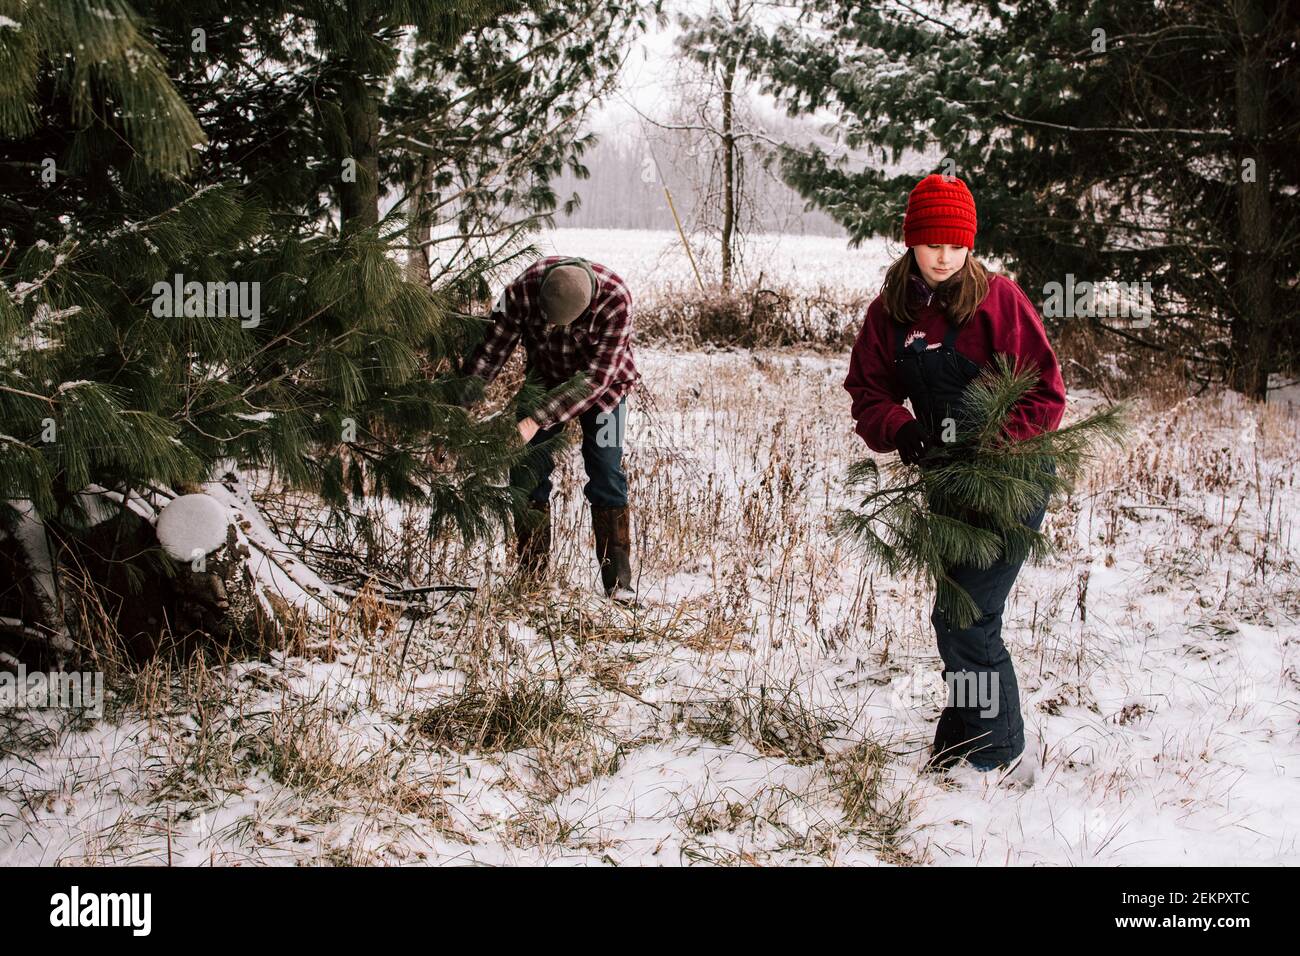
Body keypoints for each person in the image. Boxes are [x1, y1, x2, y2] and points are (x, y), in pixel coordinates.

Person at [843, 174, 1067, 780]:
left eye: (956, 243)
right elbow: (867, 390)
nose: (944, 255)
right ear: (910, 241)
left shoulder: (999, 300)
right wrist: (903, 430)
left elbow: (1045, 393)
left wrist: (986, 444)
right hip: (943, 475)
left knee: (971, 616)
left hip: (1011, 476)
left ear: (971, 244)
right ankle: (965, 732)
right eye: (932, 242)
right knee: (952, 613)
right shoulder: (890, 312)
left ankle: (999, 754)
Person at [462, 255, 640, 602]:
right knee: (526, 470)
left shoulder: (616, 299)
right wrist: (458, 408)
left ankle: (619, 584)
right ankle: (532, 576)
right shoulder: (520, 292)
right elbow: (491, 351)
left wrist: (534, 420)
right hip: (544, 379)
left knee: (605, 470)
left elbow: (593, 381)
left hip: (606, 390)